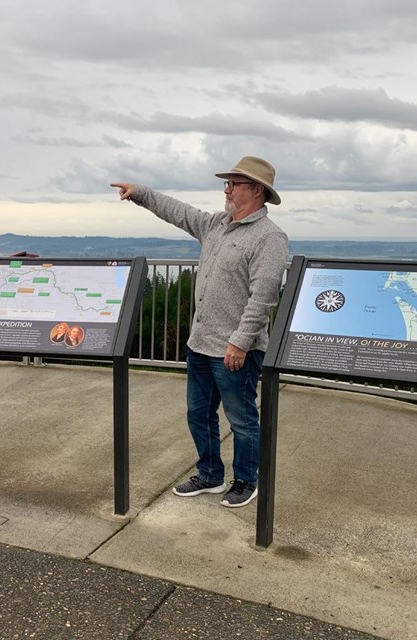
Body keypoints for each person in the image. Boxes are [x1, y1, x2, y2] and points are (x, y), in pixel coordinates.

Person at [111, 156, 288, 508]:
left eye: (234, 184)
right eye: (228, 183)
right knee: (198, 415)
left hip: (235, 351)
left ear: (257, 190)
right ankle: (210, 475)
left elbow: (263, 297)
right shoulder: (216, 225)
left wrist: (239, 342)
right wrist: (140, 193)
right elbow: (178, 211)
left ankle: (246, 481)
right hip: (201, 345)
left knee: (241, 420)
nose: (227, 189)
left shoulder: (270, 238)